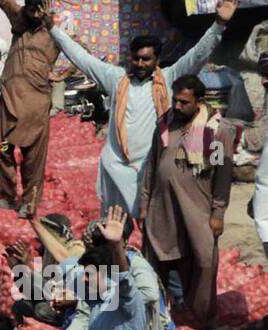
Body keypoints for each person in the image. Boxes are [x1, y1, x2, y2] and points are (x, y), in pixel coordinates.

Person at [47, 0, 235, 216]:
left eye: (146, 59)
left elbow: (197, 55)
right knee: (116, 230)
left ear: (157, 59)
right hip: (116, 169)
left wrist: (219, 24)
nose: (140, 63)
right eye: (136, 58)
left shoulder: (168, 78)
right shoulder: (116, 80)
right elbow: (81, 58)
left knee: (153, 225)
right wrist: (52, 29)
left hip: (152, 168)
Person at [138, 76, 235, 330]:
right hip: (163, 205)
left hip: (197, 207)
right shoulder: (165, 124)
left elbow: (222, 176)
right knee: (160, 258)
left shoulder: (215, 131)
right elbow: (152, 166)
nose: (178, 106)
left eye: (184, 102)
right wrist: (144, 202)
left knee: (203, 260)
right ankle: (162, 318)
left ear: (199, 101)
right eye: (175, 100)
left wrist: (218, 212)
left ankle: (202, 316)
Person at [0, 0, 57, 216]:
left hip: (34, 109)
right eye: (30, 7)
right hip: (9, 104)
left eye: (38, 8)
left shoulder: (54, 34)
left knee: (31, 157)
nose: (34, 13)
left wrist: (63, 75)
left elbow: (81, 52)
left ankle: (29, 202)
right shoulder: (20, 21)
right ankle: (9, 195)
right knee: (4, 149)